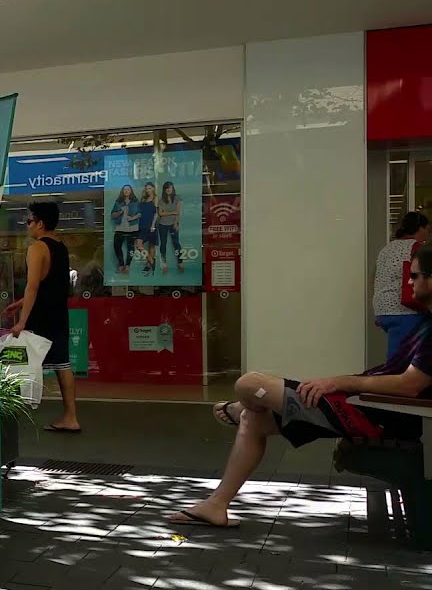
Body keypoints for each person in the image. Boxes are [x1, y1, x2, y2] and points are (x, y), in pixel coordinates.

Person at [174, 244, 432, 529]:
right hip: (363, 404)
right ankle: (216, 505)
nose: (408, 282)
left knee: (249, 384)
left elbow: (410, 384)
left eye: (415, 275)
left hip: (371, 414)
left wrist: (337, 382)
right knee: (254, 419)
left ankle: (239, 408)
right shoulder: (425, 323)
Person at [7, 202, 80, 434]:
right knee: (62, 365)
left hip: (40, 318)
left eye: (29, 221)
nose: (27, 225)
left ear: (40, 223)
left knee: (18, 363)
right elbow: (52, 285)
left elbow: (33, 287)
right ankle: (71, 416)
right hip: (58, 314)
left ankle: (11, 416)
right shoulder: (61, 248)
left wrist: (21, 321)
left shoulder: (37, 248)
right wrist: (20, 303)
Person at [373, 211, 429, 359]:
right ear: (420, 228)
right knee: (401, 359)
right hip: (404, 310)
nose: (427, 234)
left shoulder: (387, 248)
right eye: (427, 229)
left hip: (382, 309)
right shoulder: (416, 247)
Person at [109, 185, 140, 275]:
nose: (126, 191)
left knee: (131, 248)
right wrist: (120, 212)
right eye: (124, 189)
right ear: (122, 191)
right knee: (117, 246)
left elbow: (140, 213)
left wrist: (132, 218)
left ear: (131, 191)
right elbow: (112, 215)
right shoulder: (118, 202)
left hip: (132, 227)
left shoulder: (135, 202)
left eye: (128, 189)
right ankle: (121, 264)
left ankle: (128, 266)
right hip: (120, 228)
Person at [157, 181, 183, 274]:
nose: (168, 189)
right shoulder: (161, 200)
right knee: (163, 244)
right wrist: (172, 212)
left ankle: (180, 262)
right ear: (164, 189)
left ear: (173, 188)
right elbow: (161, 213)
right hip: (162, 224)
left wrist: (176, 223)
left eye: (170, 188)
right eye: (166, 188)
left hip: (173, 224)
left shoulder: (177, 198)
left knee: (176, 243)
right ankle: (164, 263)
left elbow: (178, 212)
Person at [136, 182, 159, 276]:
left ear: (153, 188)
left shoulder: (155, 198)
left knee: (151, 245)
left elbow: (156, 213)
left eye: (149, 188)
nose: (148, 190)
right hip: (142, 223)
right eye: (146, 188)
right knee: (139, 245)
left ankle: (148, 265)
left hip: (151, 224)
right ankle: (151, 260)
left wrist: (153, 225)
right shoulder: (143, 199)